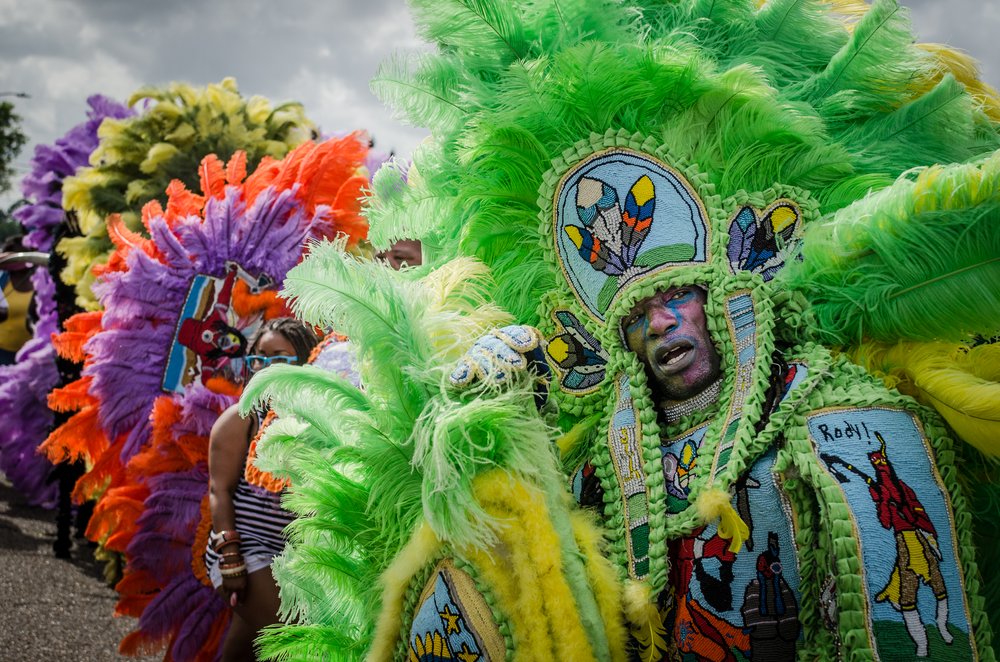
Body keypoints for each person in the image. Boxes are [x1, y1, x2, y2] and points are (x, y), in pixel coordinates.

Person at [206, 317, 319, 661]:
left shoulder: (320, 420)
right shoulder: (243, 418)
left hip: (294, 557)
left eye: (280, 358)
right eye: (261, 358)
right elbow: (218, 491)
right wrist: (230, 559)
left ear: (306, 360)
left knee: (245, 649)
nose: (268, 367)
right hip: (246, 551)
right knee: (293, 638)